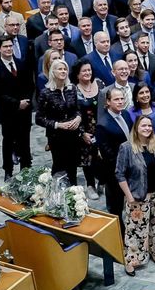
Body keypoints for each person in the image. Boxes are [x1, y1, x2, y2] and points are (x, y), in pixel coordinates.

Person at [115, 115, 155, 276]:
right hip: (137, 196)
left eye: (149, 126)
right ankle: (131, 261)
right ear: (136, 127)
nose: (147, 128)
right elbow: (120, 174)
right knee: (135, 230)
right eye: (143, 125)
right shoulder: (127, 147)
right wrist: (129, 196)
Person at [0, 35, 34, 179]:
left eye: (10, 46)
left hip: (24, 109)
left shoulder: (22, 64)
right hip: (8, 112)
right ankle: (8, 170)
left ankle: (26, 168)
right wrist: (16, 104)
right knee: (8, 140)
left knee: (25, 139)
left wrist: (25, 101)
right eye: (5, 47)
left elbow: (30, 85)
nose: (8, 49)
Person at [36, 59, 81, 185]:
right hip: (57, 137)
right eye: (60, 69)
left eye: (65, 69)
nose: (63, 71)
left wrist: (78, 118)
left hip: (72, 135)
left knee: (72, 166)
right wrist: (58, 125)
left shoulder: (71, 89)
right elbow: (39, 118)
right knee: (59, 166)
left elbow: (77, 109)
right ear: (53, 72)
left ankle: (74, 192)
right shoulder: (46, 93)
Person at [95, 87, 134, 218]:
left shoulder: (126, 115)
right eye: (116, 99)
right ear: (108, 102)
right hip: (115, 171)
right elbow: (108, 155)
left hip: (132, 167)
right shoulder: (103, 124)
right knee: (116, 207)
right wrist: (123, 167)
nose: (120, 102)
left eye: (122, 99)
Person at [73, 59, 102, 198]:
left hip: (102, 128)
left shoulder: (100, 83)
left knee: (103, 157)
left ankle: (103, 181)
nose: (87, 73)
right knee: (88, 159)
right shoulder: (74, 90)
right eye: (84, 71)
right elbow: (72, 113)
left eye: (89, 70)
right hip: (85, 131)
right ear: (77, 74)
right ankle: (90, 185)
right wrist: (81, 132)